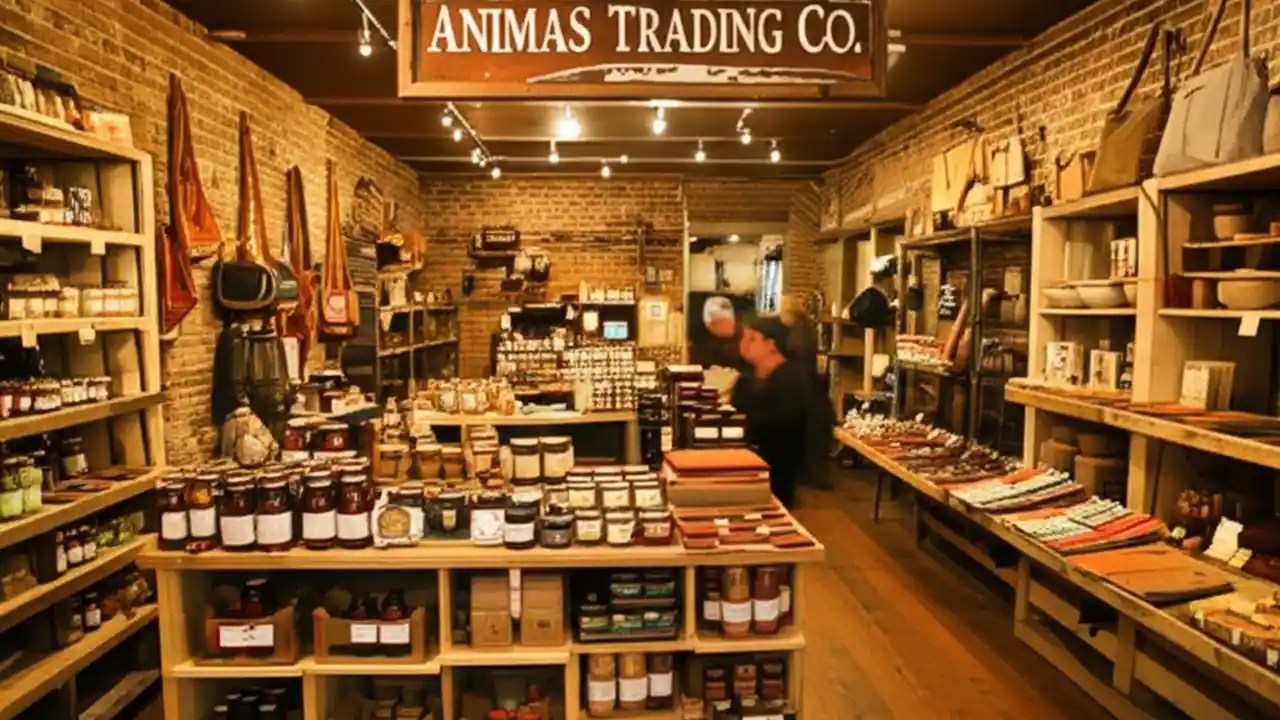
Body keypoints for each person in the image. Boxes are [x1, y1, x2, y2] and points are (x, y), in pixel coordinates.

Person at [730, 315, 828, 507]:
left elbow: (781, 427)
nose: (744, 345)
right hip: (748, 464)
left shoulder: (790, 379)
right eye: (744, 338)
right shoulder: (747, 378)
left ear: (771, 344)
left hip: (777, 475)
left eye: (752, 339)